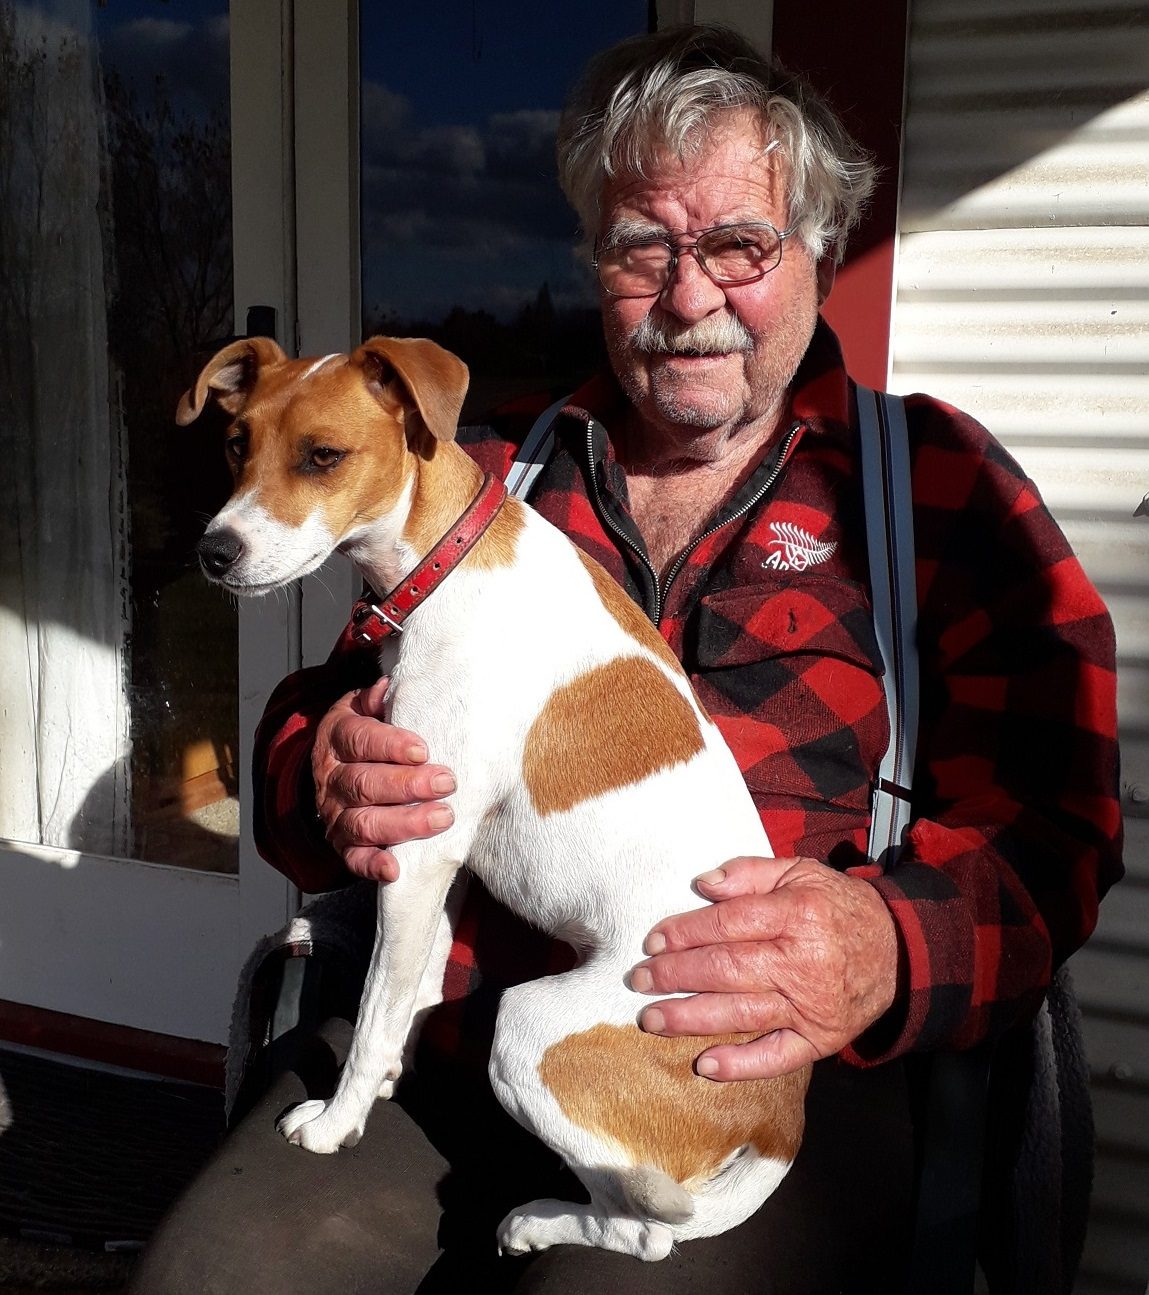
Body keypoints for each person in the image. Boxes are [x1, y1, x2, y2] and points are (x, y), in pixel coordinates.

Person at [129, 24, 1122, 1295]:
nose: (690, 295)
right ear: (596, 264)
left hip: (748, 1075)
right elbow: (320, 725)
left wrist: (884, 939)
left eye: (737, 245)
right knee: (210, 1279)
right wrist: (317, 769)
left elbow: (1065, 822)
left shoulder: (933, 489)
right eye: (643, 245)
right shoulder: (478, 472)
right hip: (453, 1043)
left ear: (817, 249)